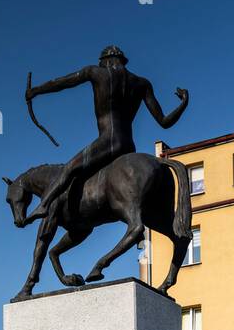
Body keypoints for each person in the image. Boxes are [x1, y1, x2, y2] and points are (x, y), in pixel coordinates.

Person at [24, 46, 189, 224]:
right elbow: (164, 121)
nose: (100, 64)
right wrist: (183, 103)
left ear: (107, 60)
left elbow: (62, 82)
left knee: (69, 168)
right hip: (128, 146)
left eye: (101, 62)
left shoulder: (96, 72)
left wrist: (36, 91)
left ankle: (44, 205)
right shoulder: (142, 83)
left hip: (107, 141)